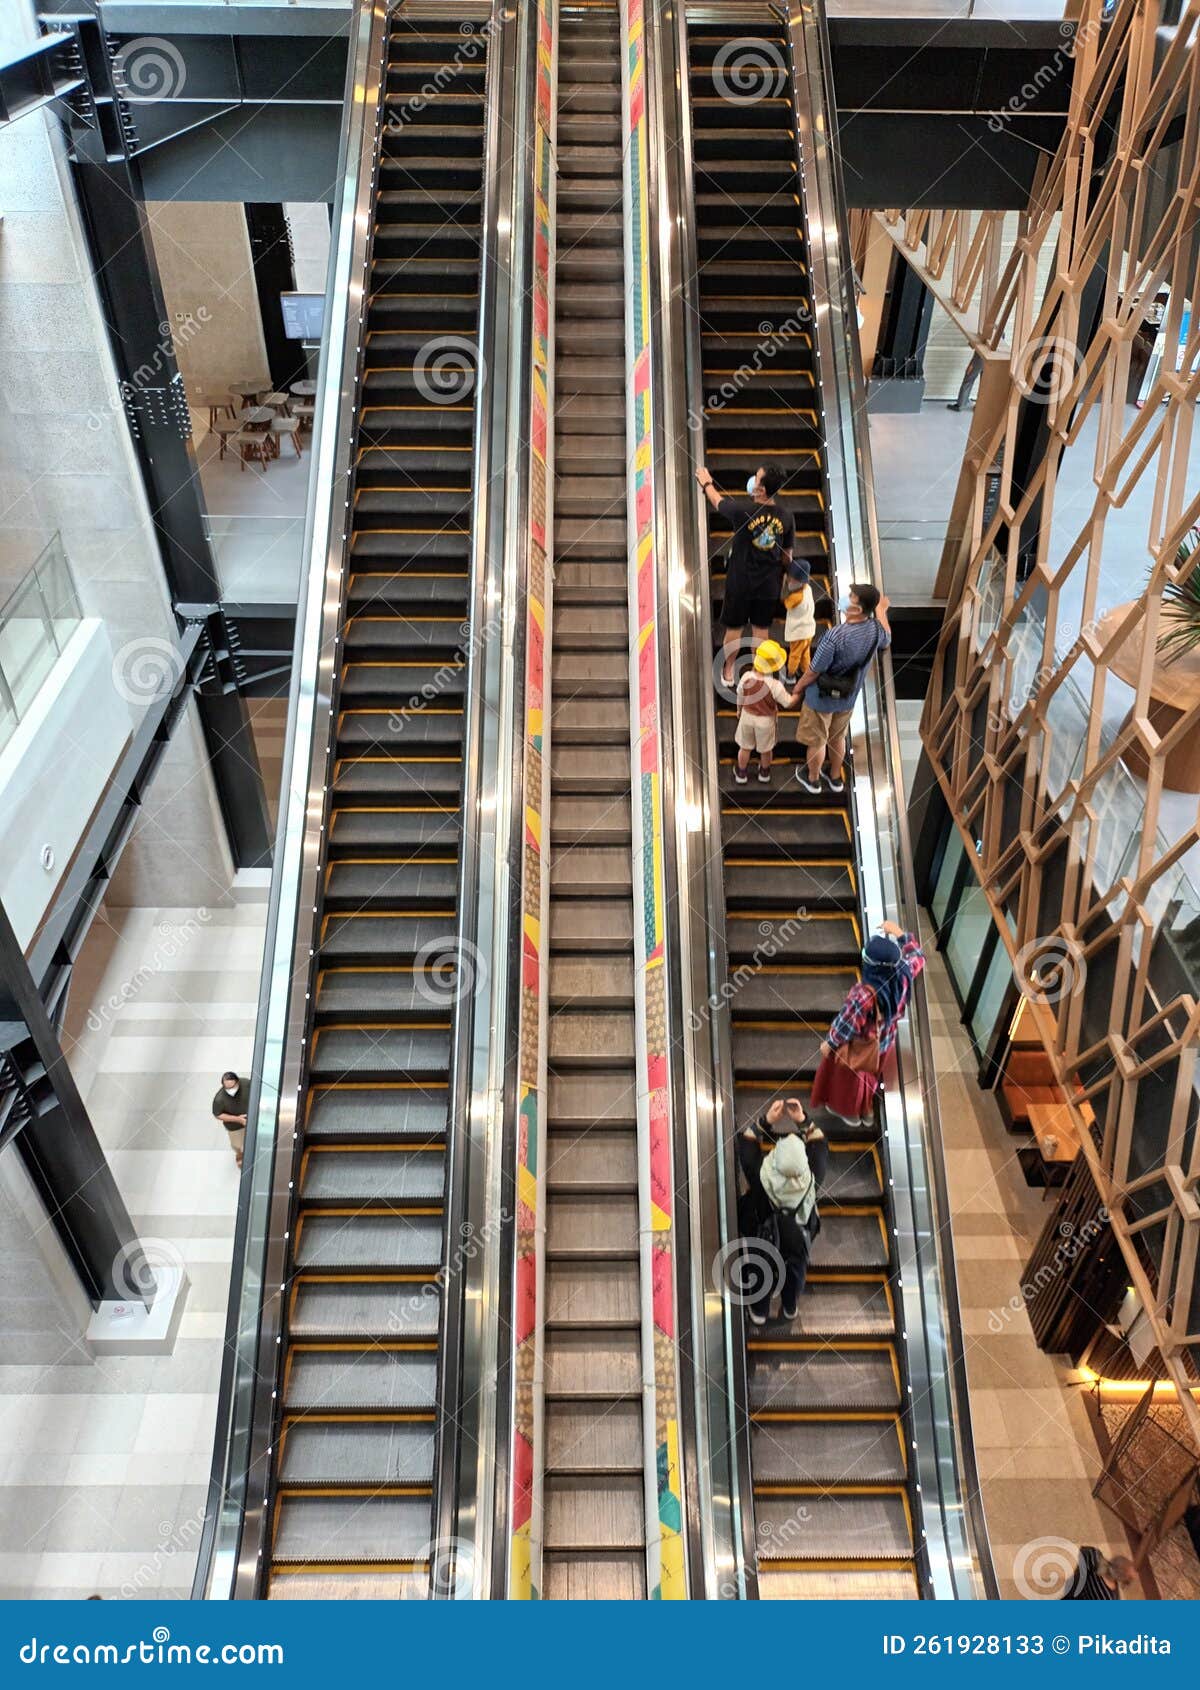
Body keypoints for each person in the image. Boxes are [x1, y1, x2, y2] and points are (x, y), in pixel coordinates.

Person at [812, 922, 925, 1126]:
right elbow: (918, 956)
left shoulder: (863, 994)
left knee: (849, 1081)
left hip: (860, 1046)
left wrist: (829, 1043)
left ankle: (850, 1113)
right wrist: (899, 933)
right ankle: (866, 1110)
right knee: (871, 1075)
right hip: (884, 1042)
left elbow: (846, 1024)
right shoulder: (903, 973)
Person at [695, 462, 795, 685]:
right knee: (761, 631)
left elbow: (717, 502)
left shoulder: (743, 512)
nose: (753, 479)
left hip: (740, 582)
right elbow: (787, 556)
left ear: (759, 489)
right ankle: (760, 676)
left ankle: (729, 671)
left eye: (756, 478)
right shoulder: (786, 517)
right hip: (769, 585)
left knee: (734, 628)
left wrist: (706, 482)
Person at [735, 1098, 828, 1326]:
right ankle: (789, 1307)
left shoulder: (761, 1176)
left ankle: (759, 1312)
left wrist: (766, 1122)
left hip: (764, 1234)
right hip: (797, 1237)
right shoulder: (811, 1177)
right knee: (795, 1270)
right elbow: (820, 1145)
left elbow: (747, 1144)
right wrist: (802, 1120)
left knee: (760, 1266)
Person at [792, 582, 891, 795]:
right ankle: (836, 778)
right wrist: (881, 611)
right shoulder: (874, 630)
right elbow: (887, 639)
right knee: (838, 737)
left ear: (857, 609)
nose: (846, 597)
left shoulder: (835, 636)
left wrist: (798, 688)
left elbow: (814, 670)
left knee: (817, 740)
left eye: (851, 596)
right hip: (847, 697)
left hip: (821, 698)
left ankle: (813, 779)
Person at [733, 638, 793, 785]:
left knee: (745, 747)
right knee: (765, 750)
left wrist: (739, 709)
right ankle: (764, 772)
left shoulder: (747, 677)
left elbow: (740, 694)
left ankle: (741, 773)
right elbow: (787, 702)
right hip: (765, 721)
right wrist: (797, 694)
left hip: (747, 716)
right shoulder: (775, 685)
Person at [1059, 1546, 1137, 1599]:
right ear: (1121, 1579)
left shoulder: (1093, 1555)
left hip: (1071, 1592)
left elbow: (1083, 1551)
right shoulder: (1109, 1597)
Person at [782, 557, 816, 681]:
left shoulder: (796, 598)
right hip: (809, 631)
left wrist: (784, 585)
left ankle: (790, 675)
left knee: (795, 655)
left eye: (791, 578)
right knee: (805, 654)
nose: (789, 579)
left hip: (798, 633)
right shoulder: (808, 589)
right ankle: (806, 672)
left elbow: (785, 603)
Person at [212, 1070, 249, 1168]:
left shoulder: (246, 1083)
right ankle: (240, 1155)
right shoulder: (219, 1099)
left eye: (233, 1087)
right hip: (235, 1127)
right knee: (237, 1144)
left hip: (252, 1117)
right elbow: (218, 1115)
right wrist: (238, 1119)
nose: (230, 1090)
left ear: (238, 1082)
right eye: (227, 1088)